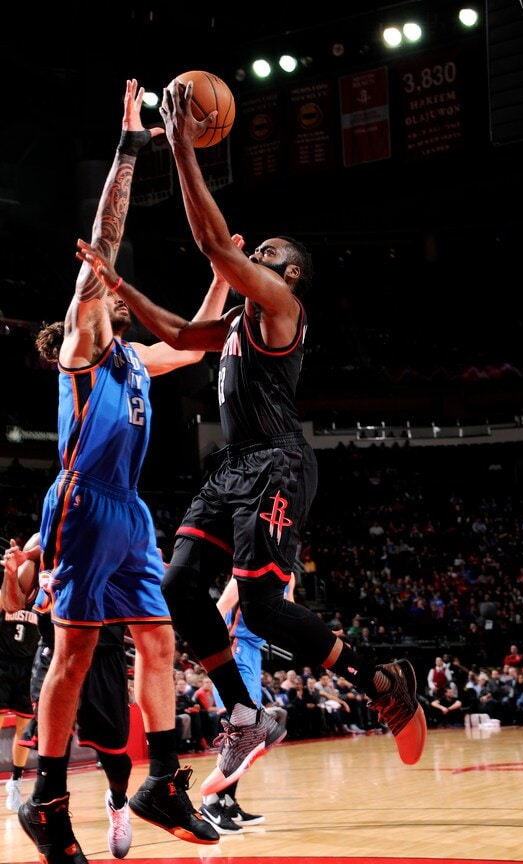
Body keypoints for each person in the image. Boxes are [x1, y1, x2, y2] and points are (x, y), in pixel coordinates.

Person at [76, 74, 427, 798]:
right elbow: (177, 333)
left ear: (286, 272)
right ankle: (242, 708)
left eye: (264, 252)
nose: (255, 256)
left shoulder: (281, 309)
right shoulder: (237, 324)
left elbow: (212, 246)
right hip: (231, 468)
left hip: (276, 465)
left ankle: (380, 679)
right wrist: (121, 286)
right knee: (175, 583)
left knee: (262, 606)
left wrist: (179, 146)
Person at [14, 78, 242, 863]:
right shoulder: (84, 347)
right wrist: (131, 142)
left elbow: (196, 339)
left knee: (157, 638)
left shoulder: (137, 360)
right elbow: (105, 236)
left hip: (130, 511)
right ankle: (46, 799)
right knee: (74, 653)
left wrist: (228, 273)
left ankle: (164, 781)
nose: (111, 289)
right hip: (82, 506)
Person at [1, 533, 133, 858]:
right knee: (50, 748)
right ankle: (54, 829)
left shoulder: (118, 535)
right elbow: (13, 604)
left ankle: (118, 802)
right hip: (54, 654)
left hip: (104, 654)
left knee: (115, 756)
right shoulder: (40, 546)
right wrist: (9, 572)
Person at [200, 573, 296, 834]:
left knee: (248, 736)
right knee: (241, 733)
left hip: (253, 654)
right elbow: (219, 611)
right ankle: (210, 801)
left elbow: (290, 613)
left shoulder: (289, 576)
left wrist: (319, 634)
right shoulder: (248, 570)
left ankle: (227, 801)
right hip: (236, 650)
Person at [0, 537, 39, 812]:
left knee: (25, 727)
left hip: (29, 666)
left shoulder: (44, 593)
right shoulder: (8, 588)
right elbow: (7, 603)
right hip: (3, 662)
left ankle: (15, 780)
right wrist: (10, 574)